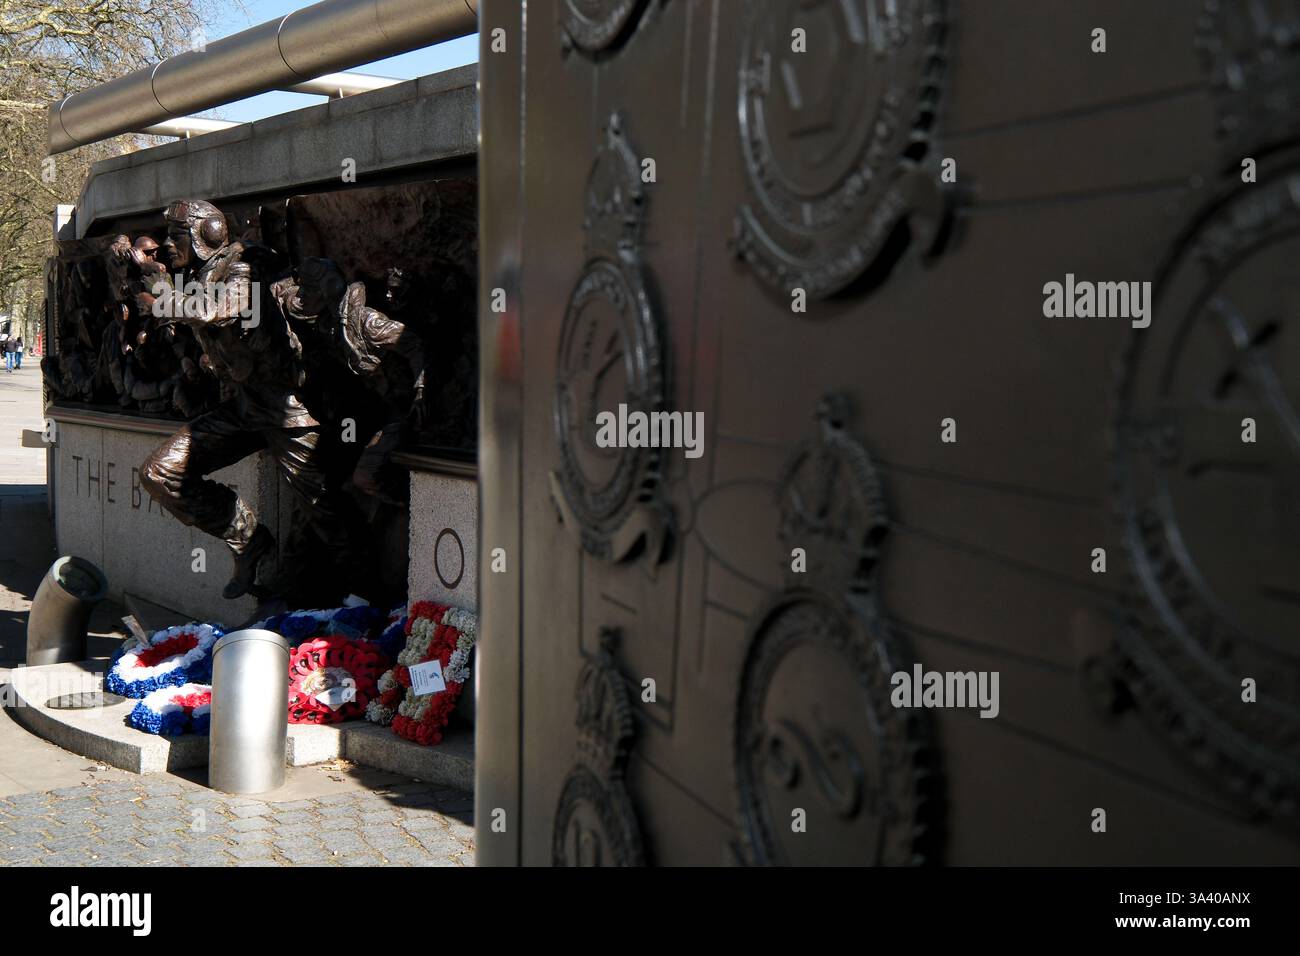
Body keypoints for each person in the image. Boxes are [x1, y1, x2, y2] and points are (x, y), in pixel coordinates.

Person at [138, 199, 364, 604]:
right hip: (243, 407)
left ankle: (367, 600)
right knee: (160, 473)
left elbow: (217, 309)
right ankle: (248, 539)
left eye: (175, 236)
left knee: (325, 510)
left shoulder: (245, 263)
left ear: (205, 233)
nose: (168, 245)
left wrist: (162, 296)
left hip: (287, 407)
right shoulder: (196, 273)